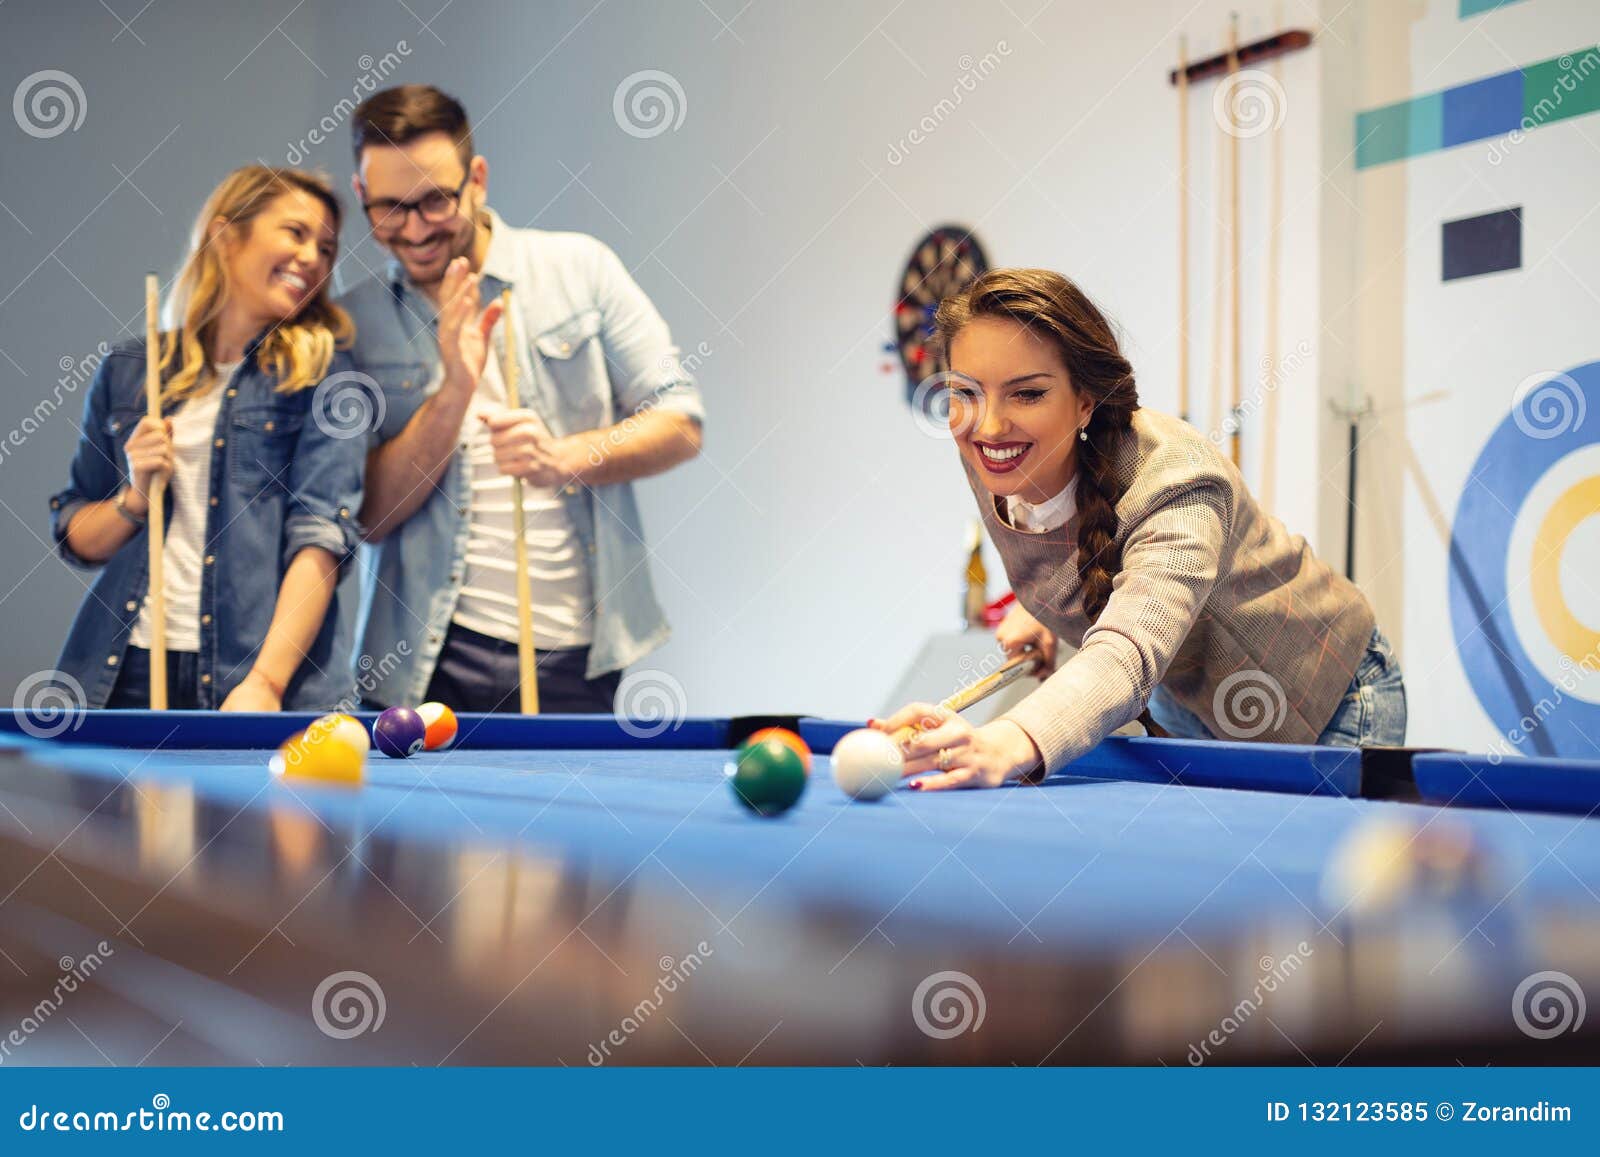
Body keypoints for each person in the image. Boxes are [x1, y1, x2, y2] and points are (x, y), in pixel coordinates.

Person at [874, 268, 1405, 789]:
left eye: (1028, 394)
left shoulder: (1180, 480)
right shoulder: (993, 453)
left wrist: (1007, 741)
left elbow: (1130, 649)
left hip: (1321, 695)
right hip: (1186, 699)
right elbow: (1083, 538)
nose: (990, 425)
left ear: (1085, 401)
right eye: (967, 392)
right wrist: (1043, 608)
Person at [341, 85, 704, 713]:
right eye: (389, 209)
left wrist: (562, 458)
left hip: (574, 652)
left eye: (434, 200)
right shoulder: (355, 321)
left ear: (477, 179)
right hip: (419, 660)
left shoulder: (581, 268)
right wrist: (454, 391)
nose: (415, 229)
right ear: (360, 194)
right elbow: (369, 516)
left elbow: (680, 419)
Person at [50, 167, 367, 710]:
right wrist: (135, 498)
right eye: (295, 233)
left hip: (251, 674)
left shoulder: (329, 379)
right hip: (125, 667)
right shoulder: (132, 368)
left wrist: (266, 683)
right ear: (224, 236)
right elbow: (77, 535)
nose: (312, 258)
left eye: (326, 248)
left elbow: (321, 540)